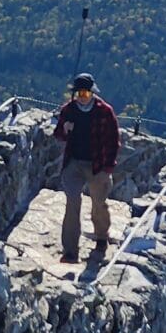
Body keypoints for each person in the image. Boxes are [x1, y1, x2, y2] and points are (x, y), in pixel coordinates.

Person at [54, 72, 120, 263]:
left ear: (92, 93)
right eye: (79, 94)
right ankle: (70, 251)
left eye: (86, 94)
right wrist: (64, 129)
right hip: (73, 163)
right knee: (72, 202)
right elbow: (58, 134)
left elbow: (113, 140)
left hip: (97, 164)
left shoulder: (104, 111)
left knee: (98, 203)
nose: (83, 98)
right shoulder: (69, 110)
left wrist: (108, 167)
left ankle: (101, 237)